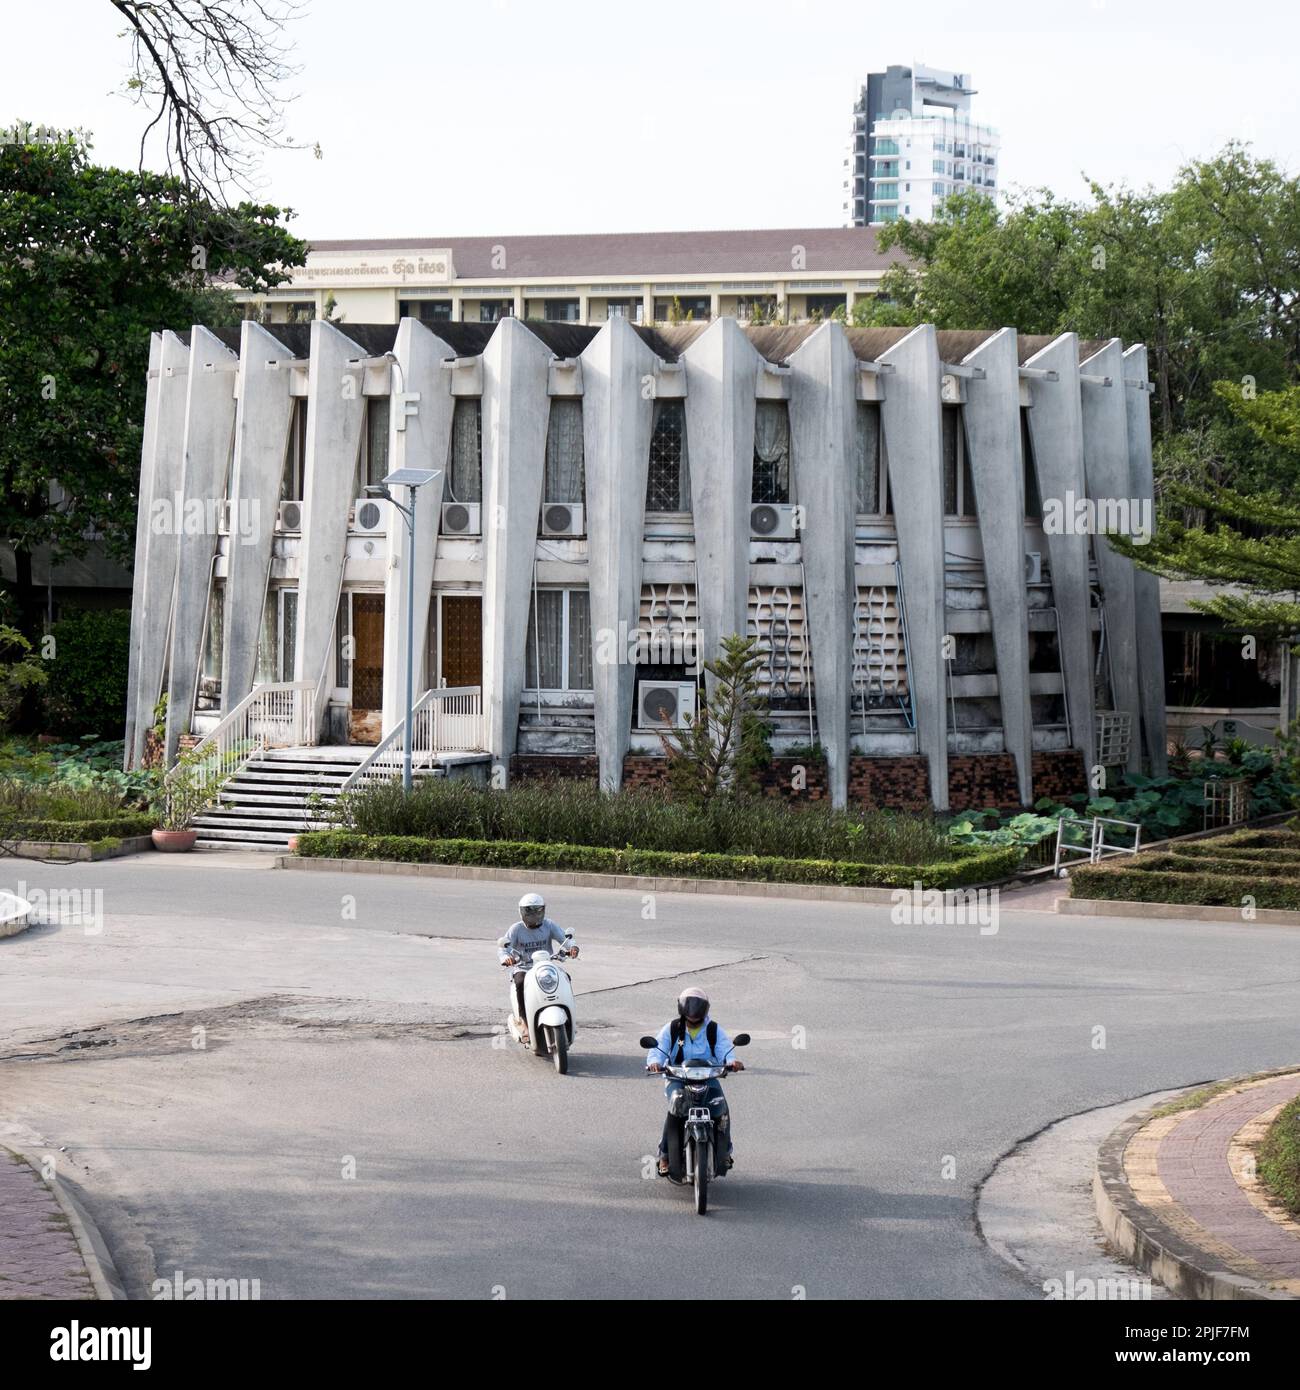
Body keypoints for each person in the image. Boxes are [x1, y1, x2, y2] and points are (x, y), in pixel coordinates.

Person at [645, 986, 743, 1176]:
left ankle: (725, 1152)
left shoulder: (713, 1029)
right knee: (675, 1105)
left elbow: (724, 1050)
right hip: (678, 1076)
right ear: (682, 1009)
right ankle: (665, 1155)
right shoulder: (672, 1028)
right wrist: (655, 1063)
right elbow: (658, 1049)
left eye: (697, 1013)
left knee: (721, 1107)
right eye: (690, 1014)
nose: (693, 1018)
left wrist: (732, 1062)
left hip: (708, 1076)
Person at [498, 892, 576, 1041]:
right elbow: (503, 948)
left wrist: (572, 947)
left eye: (537, 911)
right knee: (520, 982)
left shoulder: (549, 925)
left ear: (543, 911)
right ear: (521, 912)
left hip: (546, 966)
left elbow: (564, 938)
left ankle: (569, 1016)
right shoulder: (516, 929)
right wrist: (506, 958)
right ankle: (524, 1021)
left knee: (565, 977)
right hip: (524, 967)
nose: (534, 916)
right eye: (529, 912)